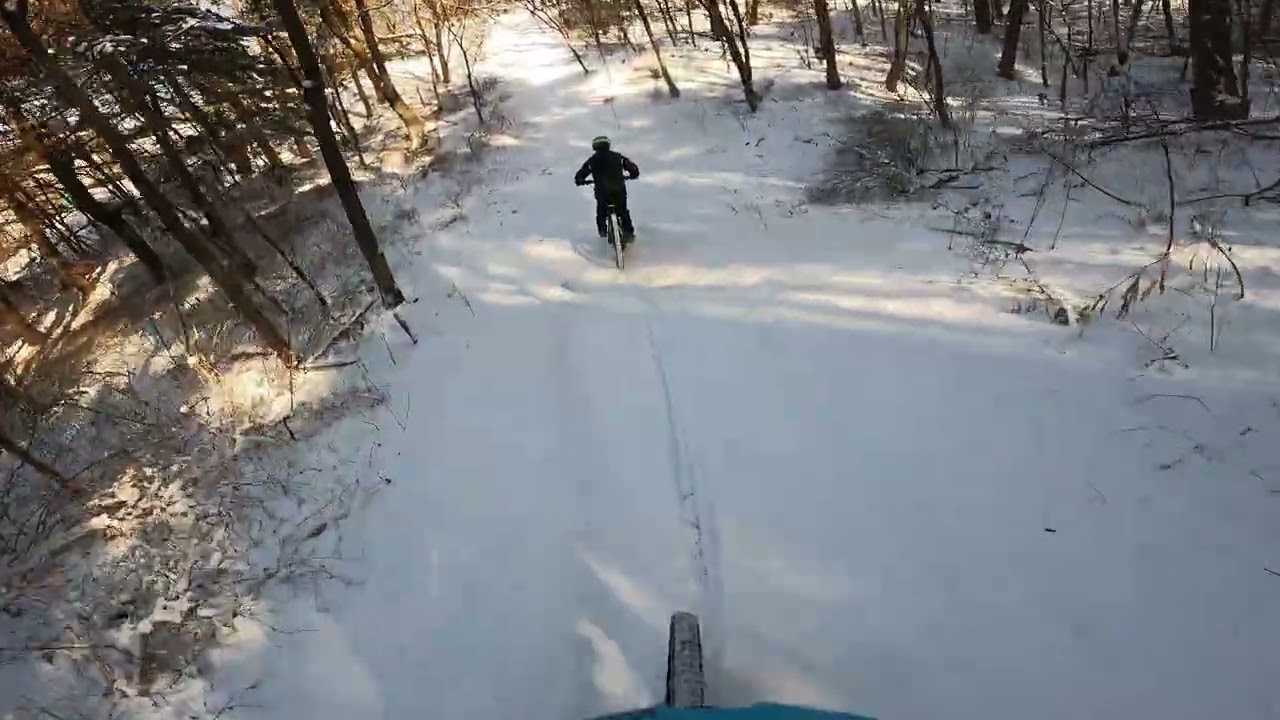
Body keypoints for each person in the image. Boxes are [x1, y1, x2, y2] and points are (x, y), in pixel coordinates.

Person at [574, 136, 640, 245]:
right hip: (619, 189)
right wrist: (633, 175)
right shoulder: (618, 157)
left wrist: (580, 181)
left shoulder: (592, 160)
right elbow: (632, 168)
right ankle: (629, 233)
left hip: (602, 192)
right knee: (623, 211)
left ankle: (603, 230)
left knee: (601, 211)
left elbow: (581, 175)